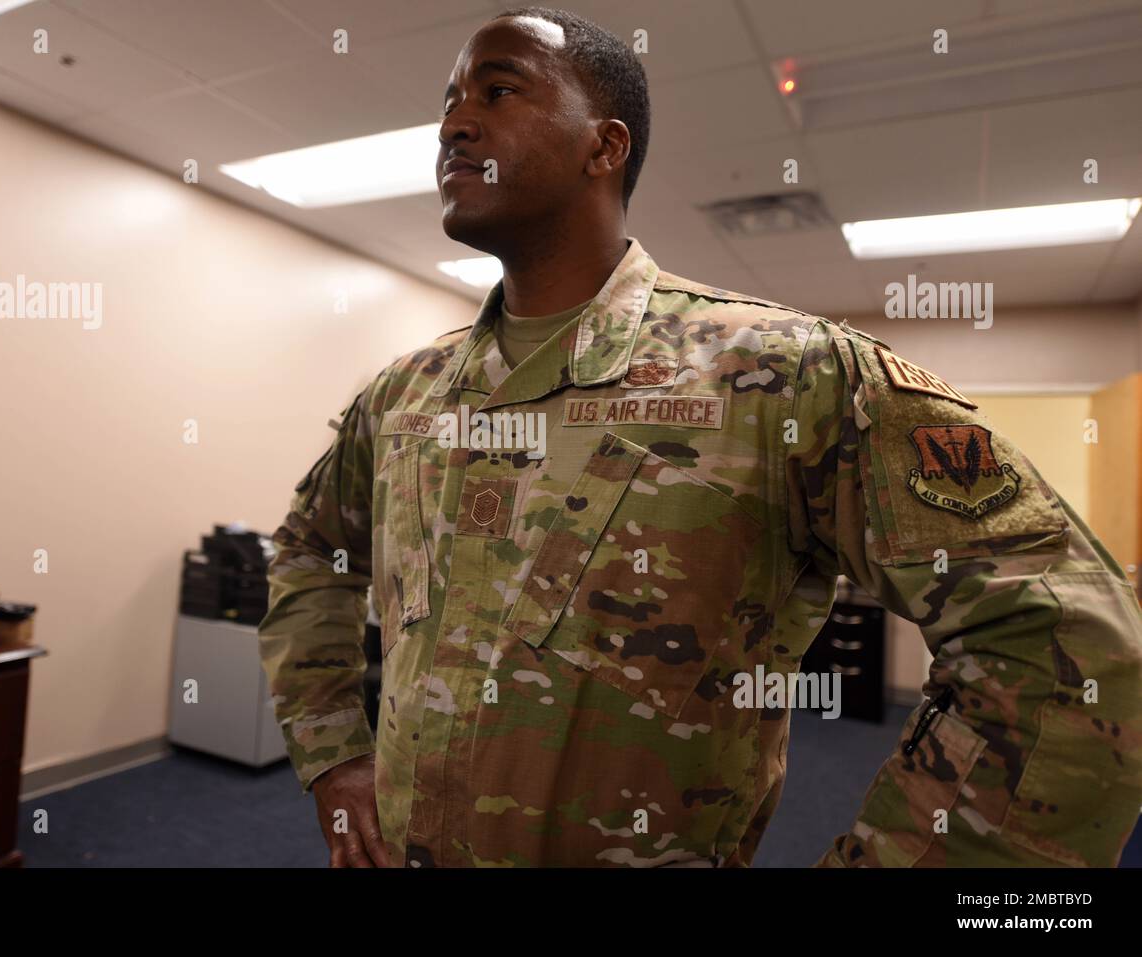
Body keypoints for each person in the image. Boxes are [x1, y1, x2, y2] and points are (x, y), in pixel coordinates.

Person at [258, 6, 1142, 867]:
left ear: (605, 146)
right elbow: (306, 549)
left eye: (497, 91)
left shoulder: (784, 374)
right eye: (449, 98)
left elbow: (1073, 649)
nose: (454, 123)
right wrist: (336, 752)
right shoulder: (403, 394)